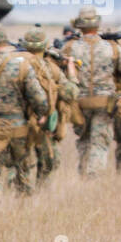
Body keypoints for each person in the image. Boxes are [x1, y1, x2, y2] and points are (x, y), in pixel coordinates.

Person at [0, 22, 49, 200]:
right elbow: (40, 99)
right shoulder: (22, 66)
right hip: (19, 129)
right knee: (23, 169)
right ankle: (24, 207)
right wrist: (40, 114)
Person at [61, 6, 121, 178]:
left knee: (84, 141)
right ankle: (93, 177)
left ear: (79, 26)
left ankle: (84, 174)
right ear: (97, 25)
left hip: (79, 103)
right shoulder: (111, 47)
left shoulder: (70, 47)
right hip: (105, 102)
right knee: (100, 142)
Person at [19, 26, 79, 182]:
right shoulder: (51, 68)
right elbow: (70, 94)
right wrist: (71, 72)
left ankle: (21, 195)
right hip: (44, 125)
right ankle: (40, 194)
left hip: (17, 123)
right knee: (48, 163)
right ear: (45, 46)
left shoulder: (15, 65)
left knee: (21, 164)